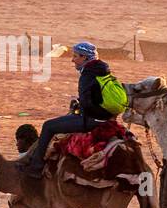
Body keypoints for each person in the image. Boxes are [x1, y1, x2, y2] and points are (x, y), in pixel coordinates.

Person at [25, 42, 114, 177]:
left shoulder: (87, 75)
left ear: (84, 57)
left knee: (48, 126)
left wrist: (80, 106)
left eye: (75, 56)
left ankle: (35, 167)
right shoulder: (103, 71)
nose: (72, 60)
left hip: (91, 120)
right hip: (106, 118)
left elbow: (88, 103)